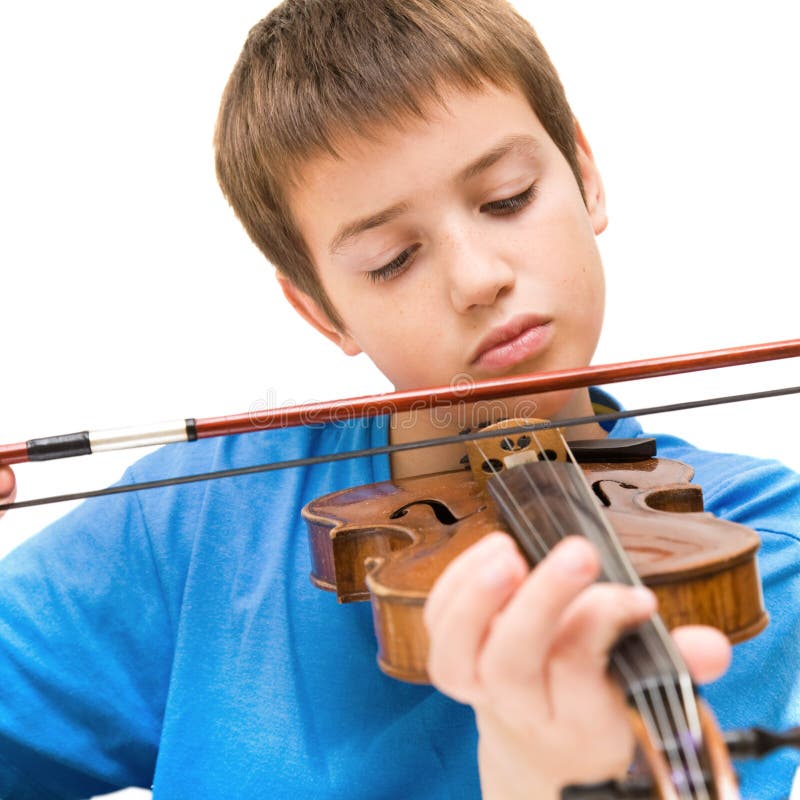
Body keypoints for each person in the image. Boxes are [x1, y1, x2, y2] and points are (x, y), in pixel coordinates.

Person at [0, 1, 798, 798]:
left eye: (508, 198)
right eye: (392, 260)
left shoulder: (752, 543)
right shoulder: (198, 514)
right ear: (320, 309)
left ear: (584, 174)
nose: (478, 277)